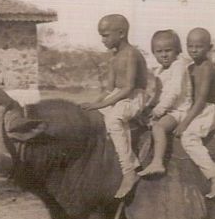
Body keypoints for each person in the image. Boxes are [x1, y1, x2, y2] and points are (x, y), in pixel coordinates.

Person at [80, 14, 149, 198]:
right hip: (118, 96)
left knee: (113, 119)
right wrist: (95, 104)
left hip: (134, 97)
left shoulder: (131, 54)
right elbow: (110, 89)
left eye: (105, 35)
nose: (102, 40)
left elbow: (129, 87)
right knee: (91, 116)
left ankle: (129, 170)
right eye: (101, 36)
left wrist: (103, 104)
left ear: (121, 33)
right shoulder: (114, 56)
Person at [175, 28, 215, 199]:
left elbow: (201, 100)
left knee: (189, 138)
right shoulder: (191, 67)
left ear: (209, 47)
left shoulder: (207, 67)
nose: (193, 50)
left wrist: (184, 124)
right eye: (190, 46)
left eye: (198, 46)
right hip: (193, 109)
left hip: (205, 110)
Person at [138, 30, 192, 177]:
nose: (164, 55)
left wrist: (158, 110)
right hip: (167, 109)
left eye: (168, 50)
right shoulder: (159, 71)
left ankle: (157, 163)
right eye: (159, 51)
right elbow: (158, 95)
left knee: (158, 127)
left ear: (177, 50)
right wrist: (149, 107)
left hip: (179, 110)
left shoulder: (178, 66)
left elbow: (175, 92)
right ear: (154, 53)